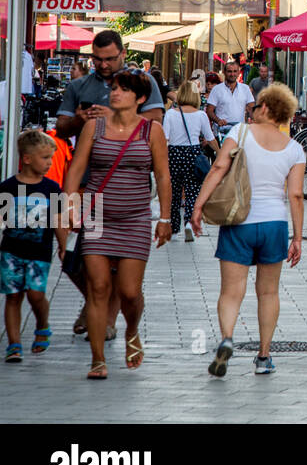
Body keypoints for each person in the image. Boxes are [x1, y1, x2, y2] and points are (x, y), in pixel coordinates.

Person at [63, 69, 171, 379]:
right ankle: (98, 360)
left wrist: (164, 218)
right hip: (96, 216)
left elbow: (162, 176)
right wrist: (69, 205)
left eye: (123, 89)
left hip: (136, 218)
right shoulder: (93, 128)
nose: (114, 93)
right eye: (113, 88)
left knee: (129, 291)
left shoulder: (151, 131)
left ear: (139, 98)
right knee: (98, 288)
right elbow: (76, 168)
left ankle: (132, 330)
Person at [191, 83, 304, 377]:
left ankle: (227, 338)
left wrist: (198, 206)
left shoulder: (239, 133)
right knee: (268, 293)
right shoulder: (295, 149)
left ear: (264, 108)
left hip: (238, 221)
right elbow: (295, 195)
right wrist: (298, 237)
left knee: (231, 292)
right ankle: (264, 357)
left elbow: (217, 169)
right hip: (274, 224)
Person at [2, 131, 68, 363]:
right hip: (10, 251)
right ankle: (14, 344)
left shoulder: (52, 189)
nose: (50, 163)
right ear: (27, 159)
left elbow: (60, 220)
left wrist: (63, 245)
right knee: (13, 296)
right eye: (45, 158)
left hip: (39, 252)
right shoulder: (7, 188)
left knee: (36, 295)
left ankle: (42, 324)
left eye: (50, 158)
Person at [163, 82, 218, 241]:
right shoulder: (201, 115)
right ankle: (189, 223)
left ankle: (174, 229)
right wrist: (220, 152)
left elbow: (165, 138)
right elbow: (210, 138)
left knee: (174, 193)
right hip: (193, 154)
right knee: (193, 191)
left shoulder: (171, 114)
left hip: (174, 154)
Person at [205, 61, 255, 131]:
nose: (232, 74)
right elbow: (209, 111)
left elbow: (251, 108)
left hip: (239, 131)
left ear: (238, 73)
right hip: (222, 131)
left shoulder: (245, 88)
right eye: (229, 71)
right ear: (224, 72)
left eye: (235, 71)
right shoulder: (216, 89)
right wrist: (218, 121)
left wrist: (254, 120)